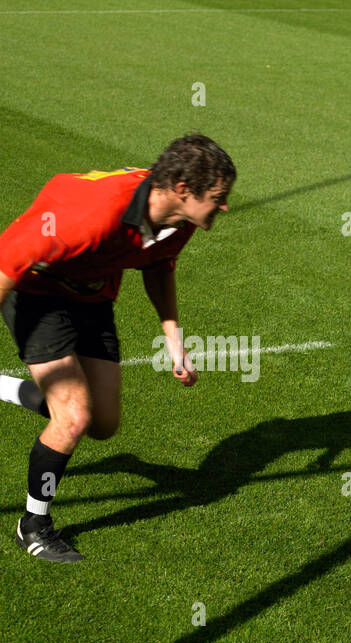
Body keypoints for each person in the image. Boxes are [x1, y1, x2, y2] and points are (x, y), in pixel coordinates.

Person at [0, 132, 235, 561]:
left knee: (102, 424)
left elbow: (159, 266)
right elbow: (6, 262)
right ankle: (33, 524)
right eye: (218, 197)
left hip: (92, 297)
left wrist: (174, 343)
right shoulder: (87, 216)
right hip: (36, 292)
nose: (224, 206)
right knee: (73, 417)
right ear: (183, 189)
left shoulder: (181, 221)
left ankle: (5, 388)